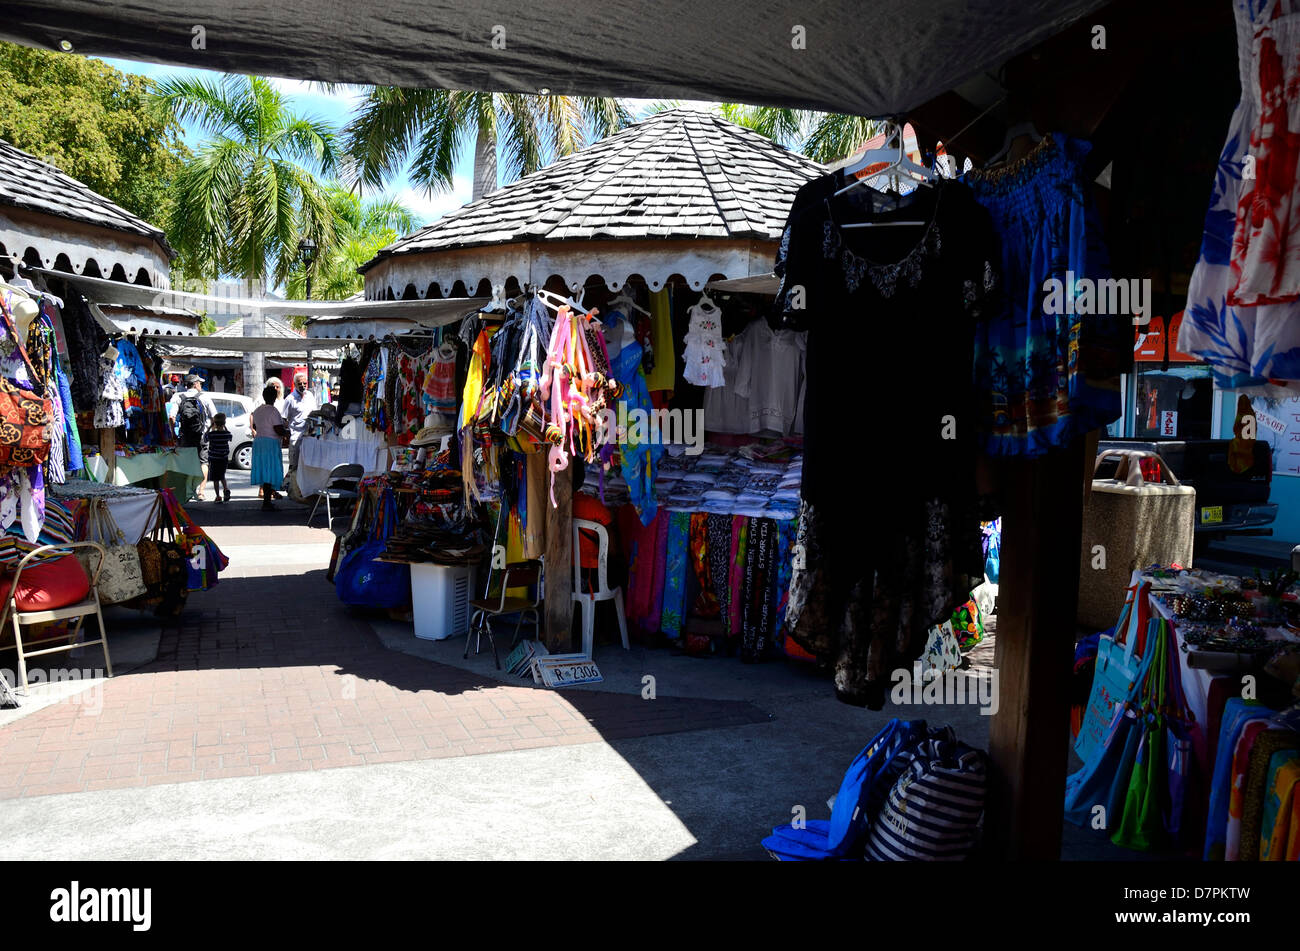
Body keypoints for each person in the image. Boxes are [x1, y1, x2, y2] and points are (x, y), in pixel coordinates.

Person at [170, 373, 217, 501]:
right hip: (201, 435)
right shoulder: (205, 397)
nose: (200, 385)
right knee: (203, 462)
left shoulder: (178, 396)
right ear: (195, 384)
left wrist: (174, 433)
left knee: (185, 462)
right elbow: (215, 416)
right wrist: (208, 430)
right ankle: (201, 492)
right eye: (200, 383)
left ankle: (187, 492)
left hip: (185, 435)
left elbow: (171, 417)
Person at [250, 384, 289, 511]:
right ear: (274, 397)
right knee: (270, 470)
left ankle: (267, 499)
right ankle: (267, 502)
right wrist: (287, 432)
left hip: (259, 441)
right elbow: (278, 429)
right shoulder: (273, 411)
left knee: (264, 470)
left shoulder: (258, 410)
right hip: (270, 443)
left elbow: (255, 426)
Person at [282, 370, 318, 474]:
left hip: (309, 437)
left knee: (307, 467)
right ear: (295, 384)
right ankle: (292, 488)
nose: (302, 385)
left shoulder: (310, 396)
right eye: (300, 383)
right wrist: (288, 433)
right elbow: (284, 419)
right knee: (294, 467)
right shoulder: (290, 399)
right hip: (295, 438)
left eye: (304, 383)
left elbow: (314, 414)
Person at [204, 413, 234, 503]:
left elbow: (205, 438)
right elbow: (230, 437)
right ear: (224, 423)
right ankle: (226, 489)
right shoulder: (226, 434)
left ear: (215, 423)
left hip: (214, 458)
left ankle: (218, 496)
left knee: (215, 478)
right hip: (224, 458)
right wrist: (225, 427)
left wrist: (210, 427)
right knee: (222, 475)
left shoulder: (212, 434)